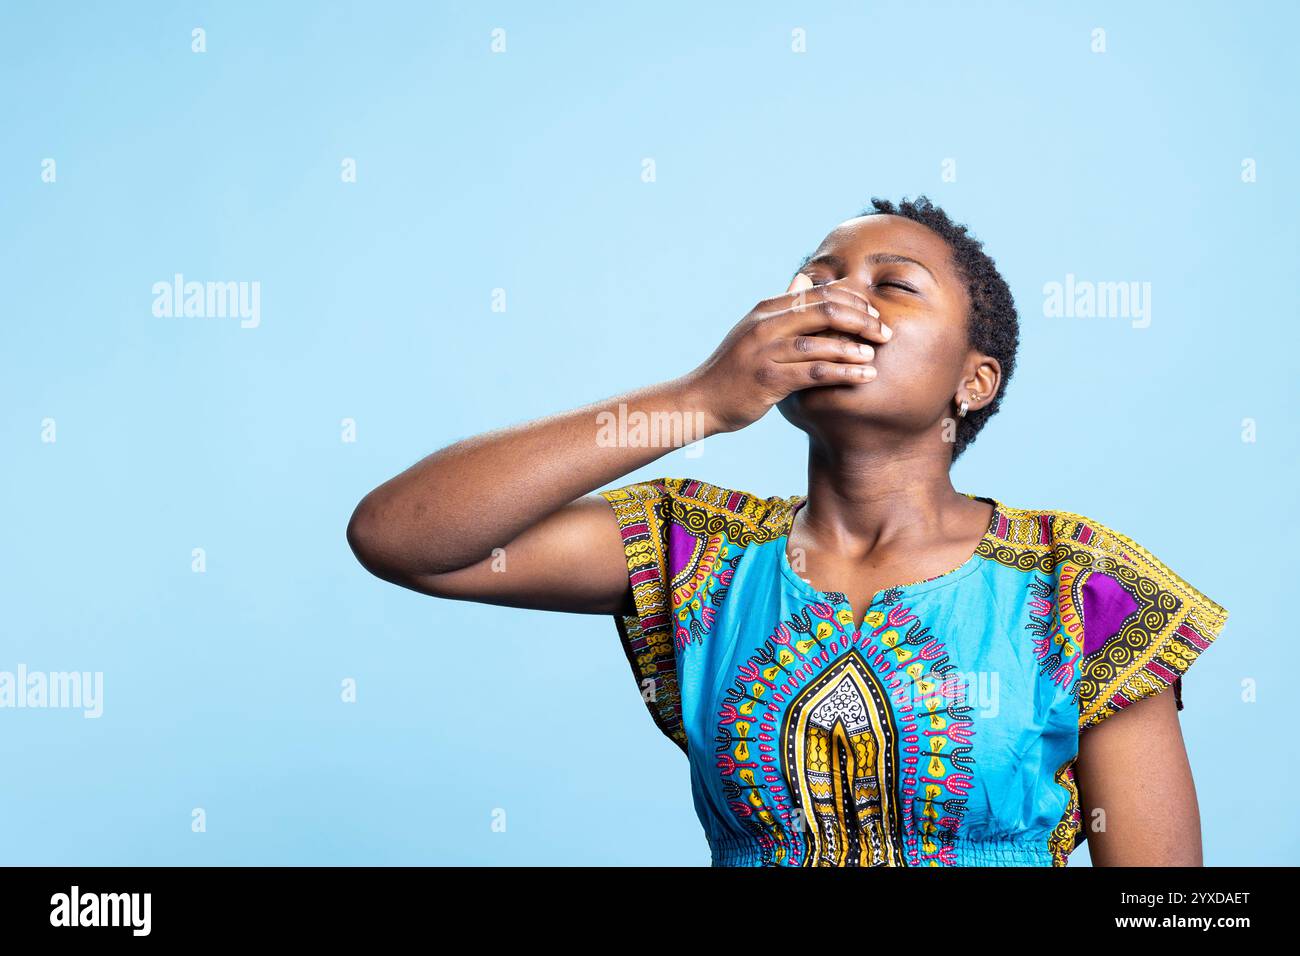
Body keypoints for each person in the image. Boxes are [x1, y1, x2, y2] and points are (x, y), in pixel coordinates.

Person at [346, 196, 1229, 867]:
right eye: (816, 279)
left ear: (974, 380)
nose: (836, 299)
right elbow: (402, 536)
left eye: (892, 285)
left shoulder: (1080, 585)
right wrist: (697, 400)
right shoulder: (696, 552)